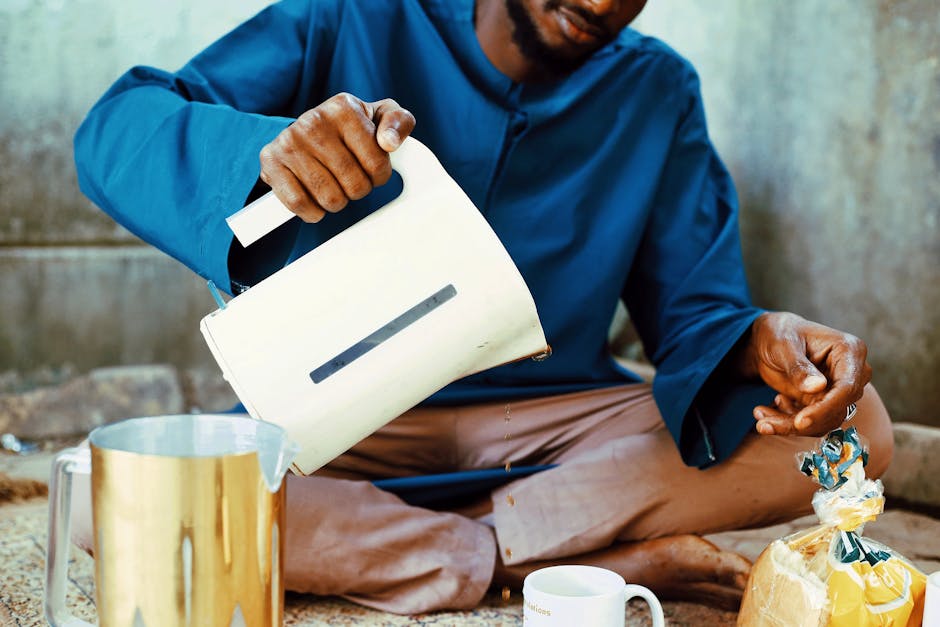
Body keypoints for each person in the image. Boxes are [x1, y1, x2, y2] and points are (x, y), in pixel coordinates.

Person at [72, 0, 893, 615]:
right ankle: (541, 563)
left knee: (856, 428)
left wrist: (760, 341)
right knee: (113, 504)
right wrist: (266, 153)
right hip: (336, 427)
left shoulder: (658, 90)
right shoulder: (352, 14)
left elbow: (696, 315)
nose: (603, 0)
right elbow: (117, 131)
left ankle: (456, 551)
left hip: (553, 431)